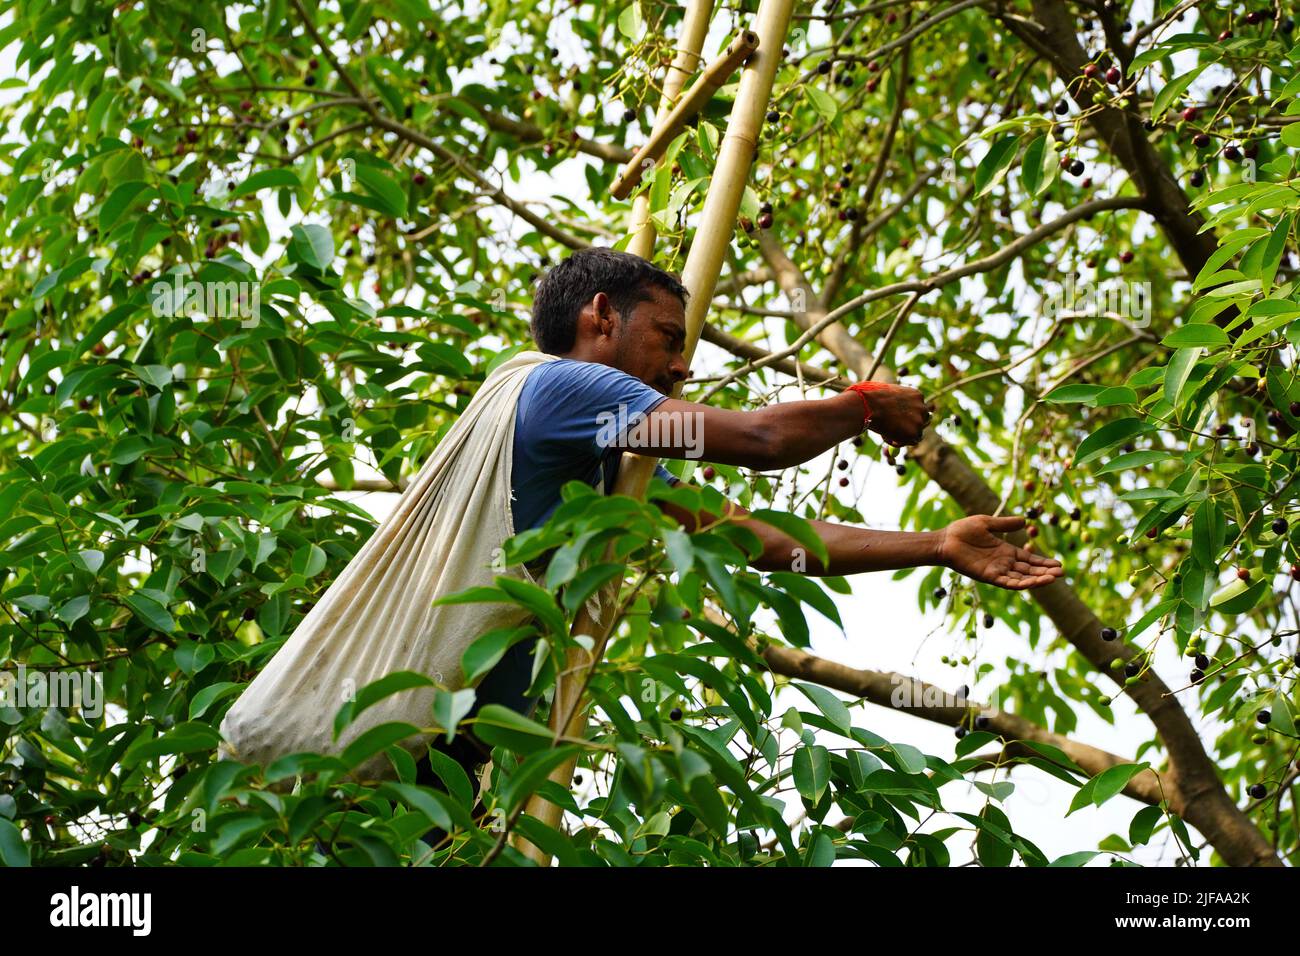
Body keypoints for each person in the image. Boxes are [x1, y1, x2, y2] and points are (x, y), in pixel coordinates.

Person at [413, 247, 1063, 837]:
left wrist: (937, 545)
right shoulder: (561, 386)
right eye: (669, 338)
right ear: (602, 316)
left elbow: (762, 540)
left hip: (455, 764)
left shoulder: (609, 462)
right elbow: (761, 441)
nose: (678, 367)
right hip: (415, 745)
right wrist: (864, 406)